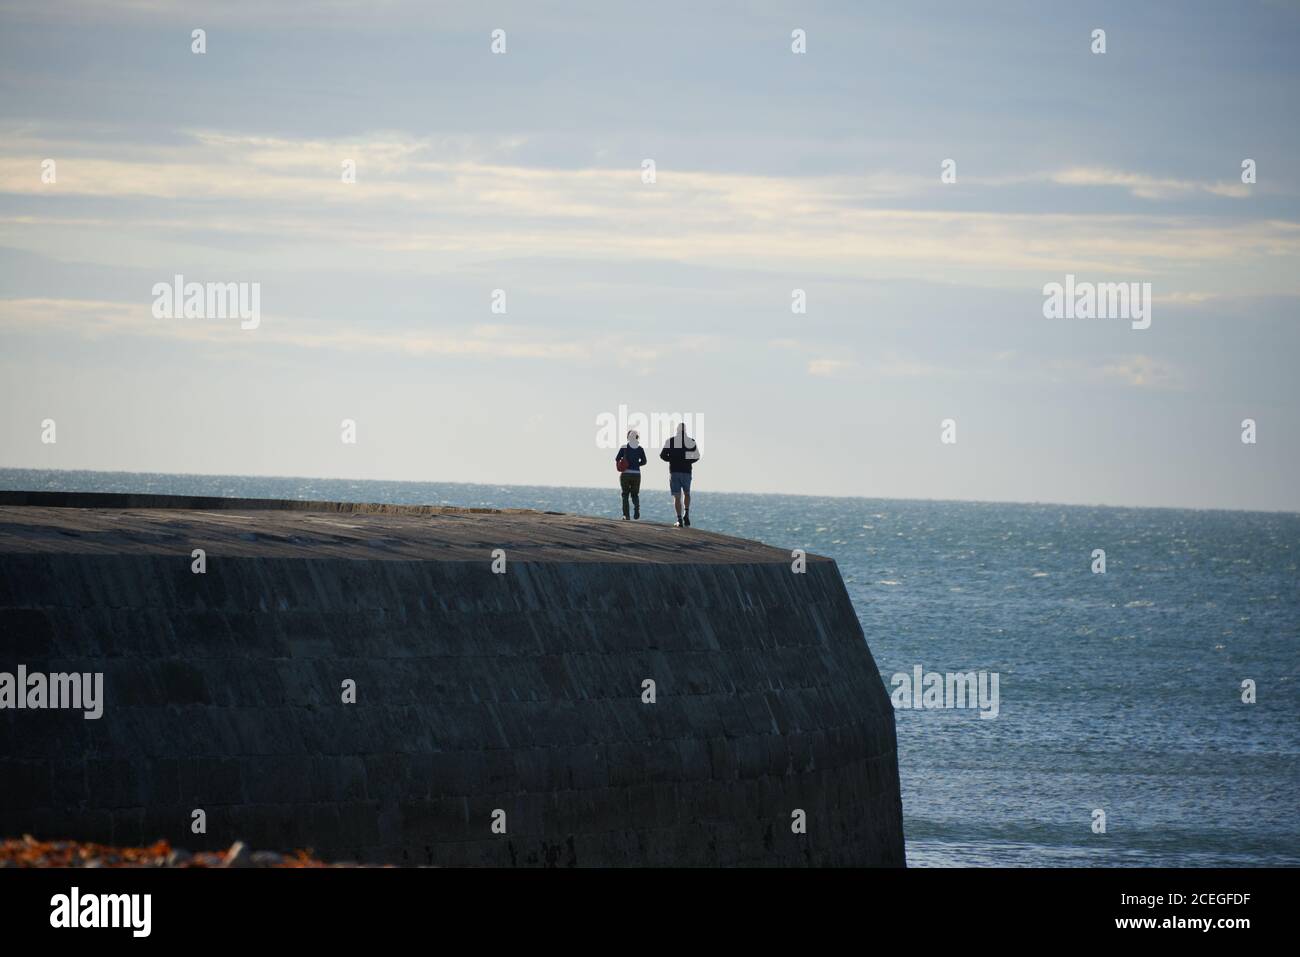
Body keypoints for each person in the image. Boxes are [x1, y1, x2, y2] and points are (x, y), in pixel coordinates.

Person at [659, 422, 700, 527]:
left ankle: (679, 519)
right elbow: (697, 456)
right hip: (686, 471)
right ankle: (686, 512)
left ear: (677, 430)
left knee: (677, 496)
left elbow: (662, 455)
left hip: (674, 471)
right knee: (687, 493)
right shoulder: (691, 441)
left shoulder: (671, 441)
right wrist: (688, 460)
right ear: (685, 430)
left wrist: (672, 459)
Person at [615, 429, 647, 520]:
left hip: (625, 474)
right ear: (637, 437)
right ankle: (636, 508)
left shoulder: (624, 448)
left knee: (625, 494)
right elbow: (644, 461)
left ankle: (626, 515)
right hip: (636, 474)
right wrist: (637, 464)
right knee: (635, 494)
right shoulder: (640, 449)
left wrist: (620, 466)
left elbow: (617, 459)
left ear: (628, 437)